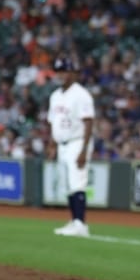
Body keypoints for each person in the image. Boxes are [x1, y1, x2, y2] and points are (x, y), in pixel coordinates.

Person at [48, 56, 96, 237]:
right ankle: (74, 220)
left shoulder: (81, 94)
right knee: (67, 184)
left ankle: (81, 223)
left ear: (73, 73)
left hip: (77, 142)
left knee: (77, 182)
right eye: (59, 71)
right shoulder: (55, 96)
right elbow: (53, 122)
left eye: (64, 71)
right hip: (62, 143)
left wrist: (84, 150)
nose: (61, 75)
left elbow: (89, 122)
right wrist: (52, 144)